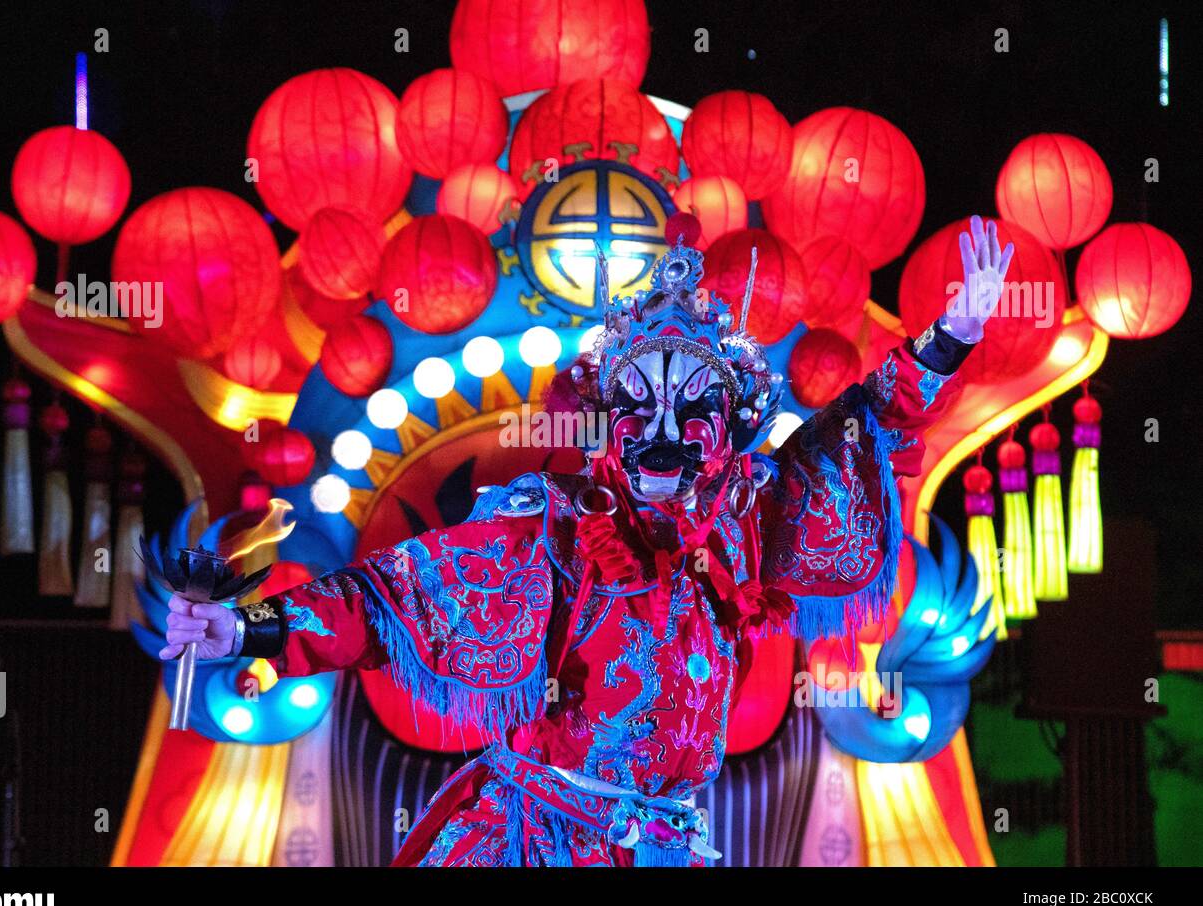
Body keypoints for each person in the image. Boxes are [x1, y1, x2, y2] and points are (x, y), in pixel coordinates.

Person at [163, 215, 1013, 867]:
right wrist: (250, 627)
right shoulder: (563, 527)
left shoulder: (749, 524)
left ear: (730, 427)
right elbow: (394, 596)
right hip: (538, 834)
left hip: (667, 840)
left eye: (693, 413)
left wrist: (952, 338)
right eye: (639, 407)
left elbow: (857, 426)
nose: (662, 435)